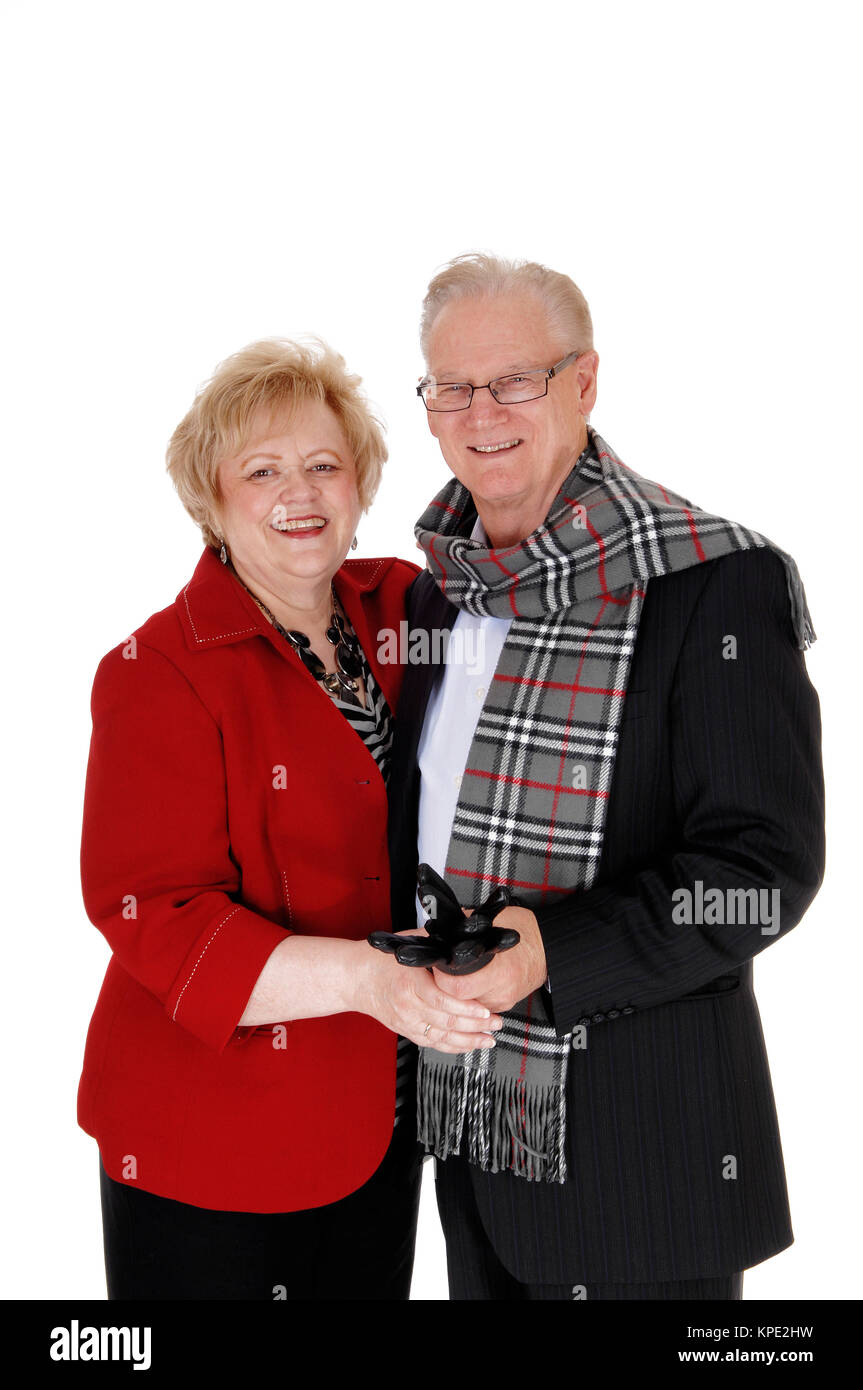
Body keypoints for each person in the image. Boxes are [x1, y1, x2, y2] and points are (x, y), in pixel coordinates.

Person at [387, 253, 825, 1301]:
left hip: (645, 1163)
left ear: (582, 382)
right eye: (451, 386)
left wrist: (557, 951)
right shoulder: (438, 601)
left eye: (514, 380)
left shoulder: (712, 581)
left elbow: (762, 868)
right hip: (473, 1129)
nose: (479, 412)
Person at [77, 337, 500, 1301]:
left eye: (322, 465)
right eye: (260, 471)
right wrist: (367, 979)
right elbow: (156, 910)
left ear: (359, 484)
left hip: (378, 1122)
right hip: (208, 1138)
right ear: (211, 501)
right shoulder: (159, 673)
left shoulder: (399, 603)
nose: (297, 493)